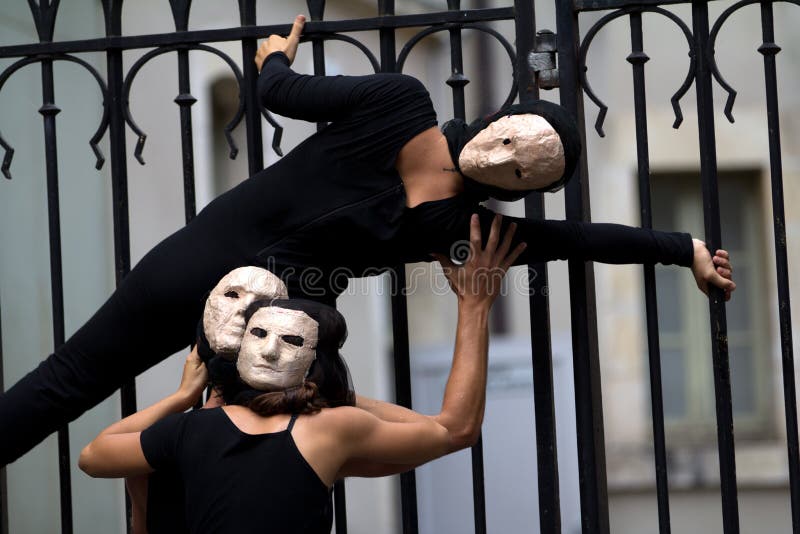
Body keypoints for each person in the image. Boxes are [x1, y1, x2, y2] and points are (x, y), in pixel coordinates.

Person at [0, 15, 736, 465]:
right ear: (498, 116)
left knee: (208, 444)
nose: (509, 158)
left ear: (517, 189)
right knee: (100, 390)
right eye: (516, 139)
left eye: (524, 170)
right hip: (232, 283)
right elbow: (282, 92)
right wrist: (274, 61)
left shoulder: (449, 219)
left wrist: (681, 249)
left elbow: (576, 238)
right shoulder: (401, 109)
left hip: (256, 315)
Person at [79, 217, 525, 534]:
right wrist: (475, 305)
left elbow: (93, 456)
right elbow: (454, 429)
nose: (272, 348)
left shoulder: (179, 433)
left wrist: (180, 397)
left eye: (290, 341)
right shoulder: (329, 433)